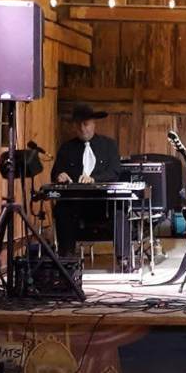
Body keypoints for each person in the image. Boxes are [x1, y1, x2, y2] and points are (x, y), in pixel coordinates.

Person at [51, 103, 129, 267]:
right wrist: (60, 176)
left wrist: (94, 179)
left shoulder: (109, 145)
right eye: (78, 125)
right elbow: (56, 172)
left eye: (86, 124)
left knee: (120, 209)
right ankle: (66, 259)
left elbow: (115, 171)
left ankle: (124, 259)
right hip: (75, 204)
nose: (83, 129)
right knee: (61, 209)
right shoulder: (66, 149)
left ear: (94, 124)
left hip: (103, 204)